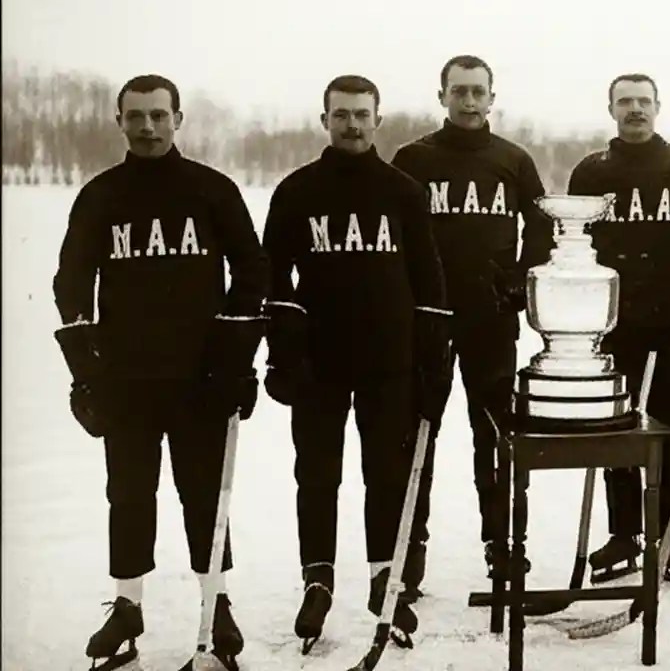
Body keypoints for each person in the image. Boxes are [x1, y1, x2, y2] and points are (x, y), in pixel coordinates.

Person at [53, 74, 267, 671]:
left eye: (158, 115)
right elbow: (71, 284)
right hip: (128, 379)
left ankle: (215, 605)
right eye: (136, 116)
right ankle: (127, 606)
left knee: (204, 496)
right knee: (128, 493)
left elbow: (252, 273)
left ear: (179, 119)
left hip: (201, 379)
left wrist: (234, 359)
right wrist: (85, 371)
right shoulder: (100, 195)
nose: (148, 126)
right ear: (119, 121)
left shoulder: (212, 190)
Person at [261, 75, 451, 650]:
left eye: (361, 114)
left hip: (389, 361)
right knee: (316, 475)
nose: (351, 124)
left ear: (378, 120)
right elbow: (274, 277)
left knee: (386, 476)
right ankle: (317, 579)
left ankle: (382, 580)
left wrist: (433, 361)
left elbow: (428, 278)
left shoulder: (402, 192)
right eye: (340, 114)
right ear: (324, 120)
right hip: (320, 363)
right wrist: (284, 353)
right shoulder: (297, 191)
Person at [391, 55, 555, 592]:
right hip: (428, 322)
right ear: (441, 96)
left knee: (496, 435)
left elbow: (540, 227)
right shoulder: (413, 159)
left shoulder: (512, 159)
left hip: (489, 320)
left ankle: (505, 546)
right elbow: (394, 235)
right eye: (458, 90)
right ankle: (409, 552)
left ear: (491, 97)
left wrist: (515, 281)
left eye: (477, 91)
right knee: (417, 435)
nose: (468, 100)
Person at [566, 72, 670, 585]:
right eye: (624, 102)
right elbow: (574, 247)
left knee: (665, 427)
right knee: (612, 426)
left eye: (643, 101)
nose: (635, 109)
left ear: (659, 106)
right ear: (610, 107)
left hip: (669, 321)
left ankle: (665, 532)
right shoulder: (591, 172)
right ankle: (622, 532)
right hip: (610, 323)